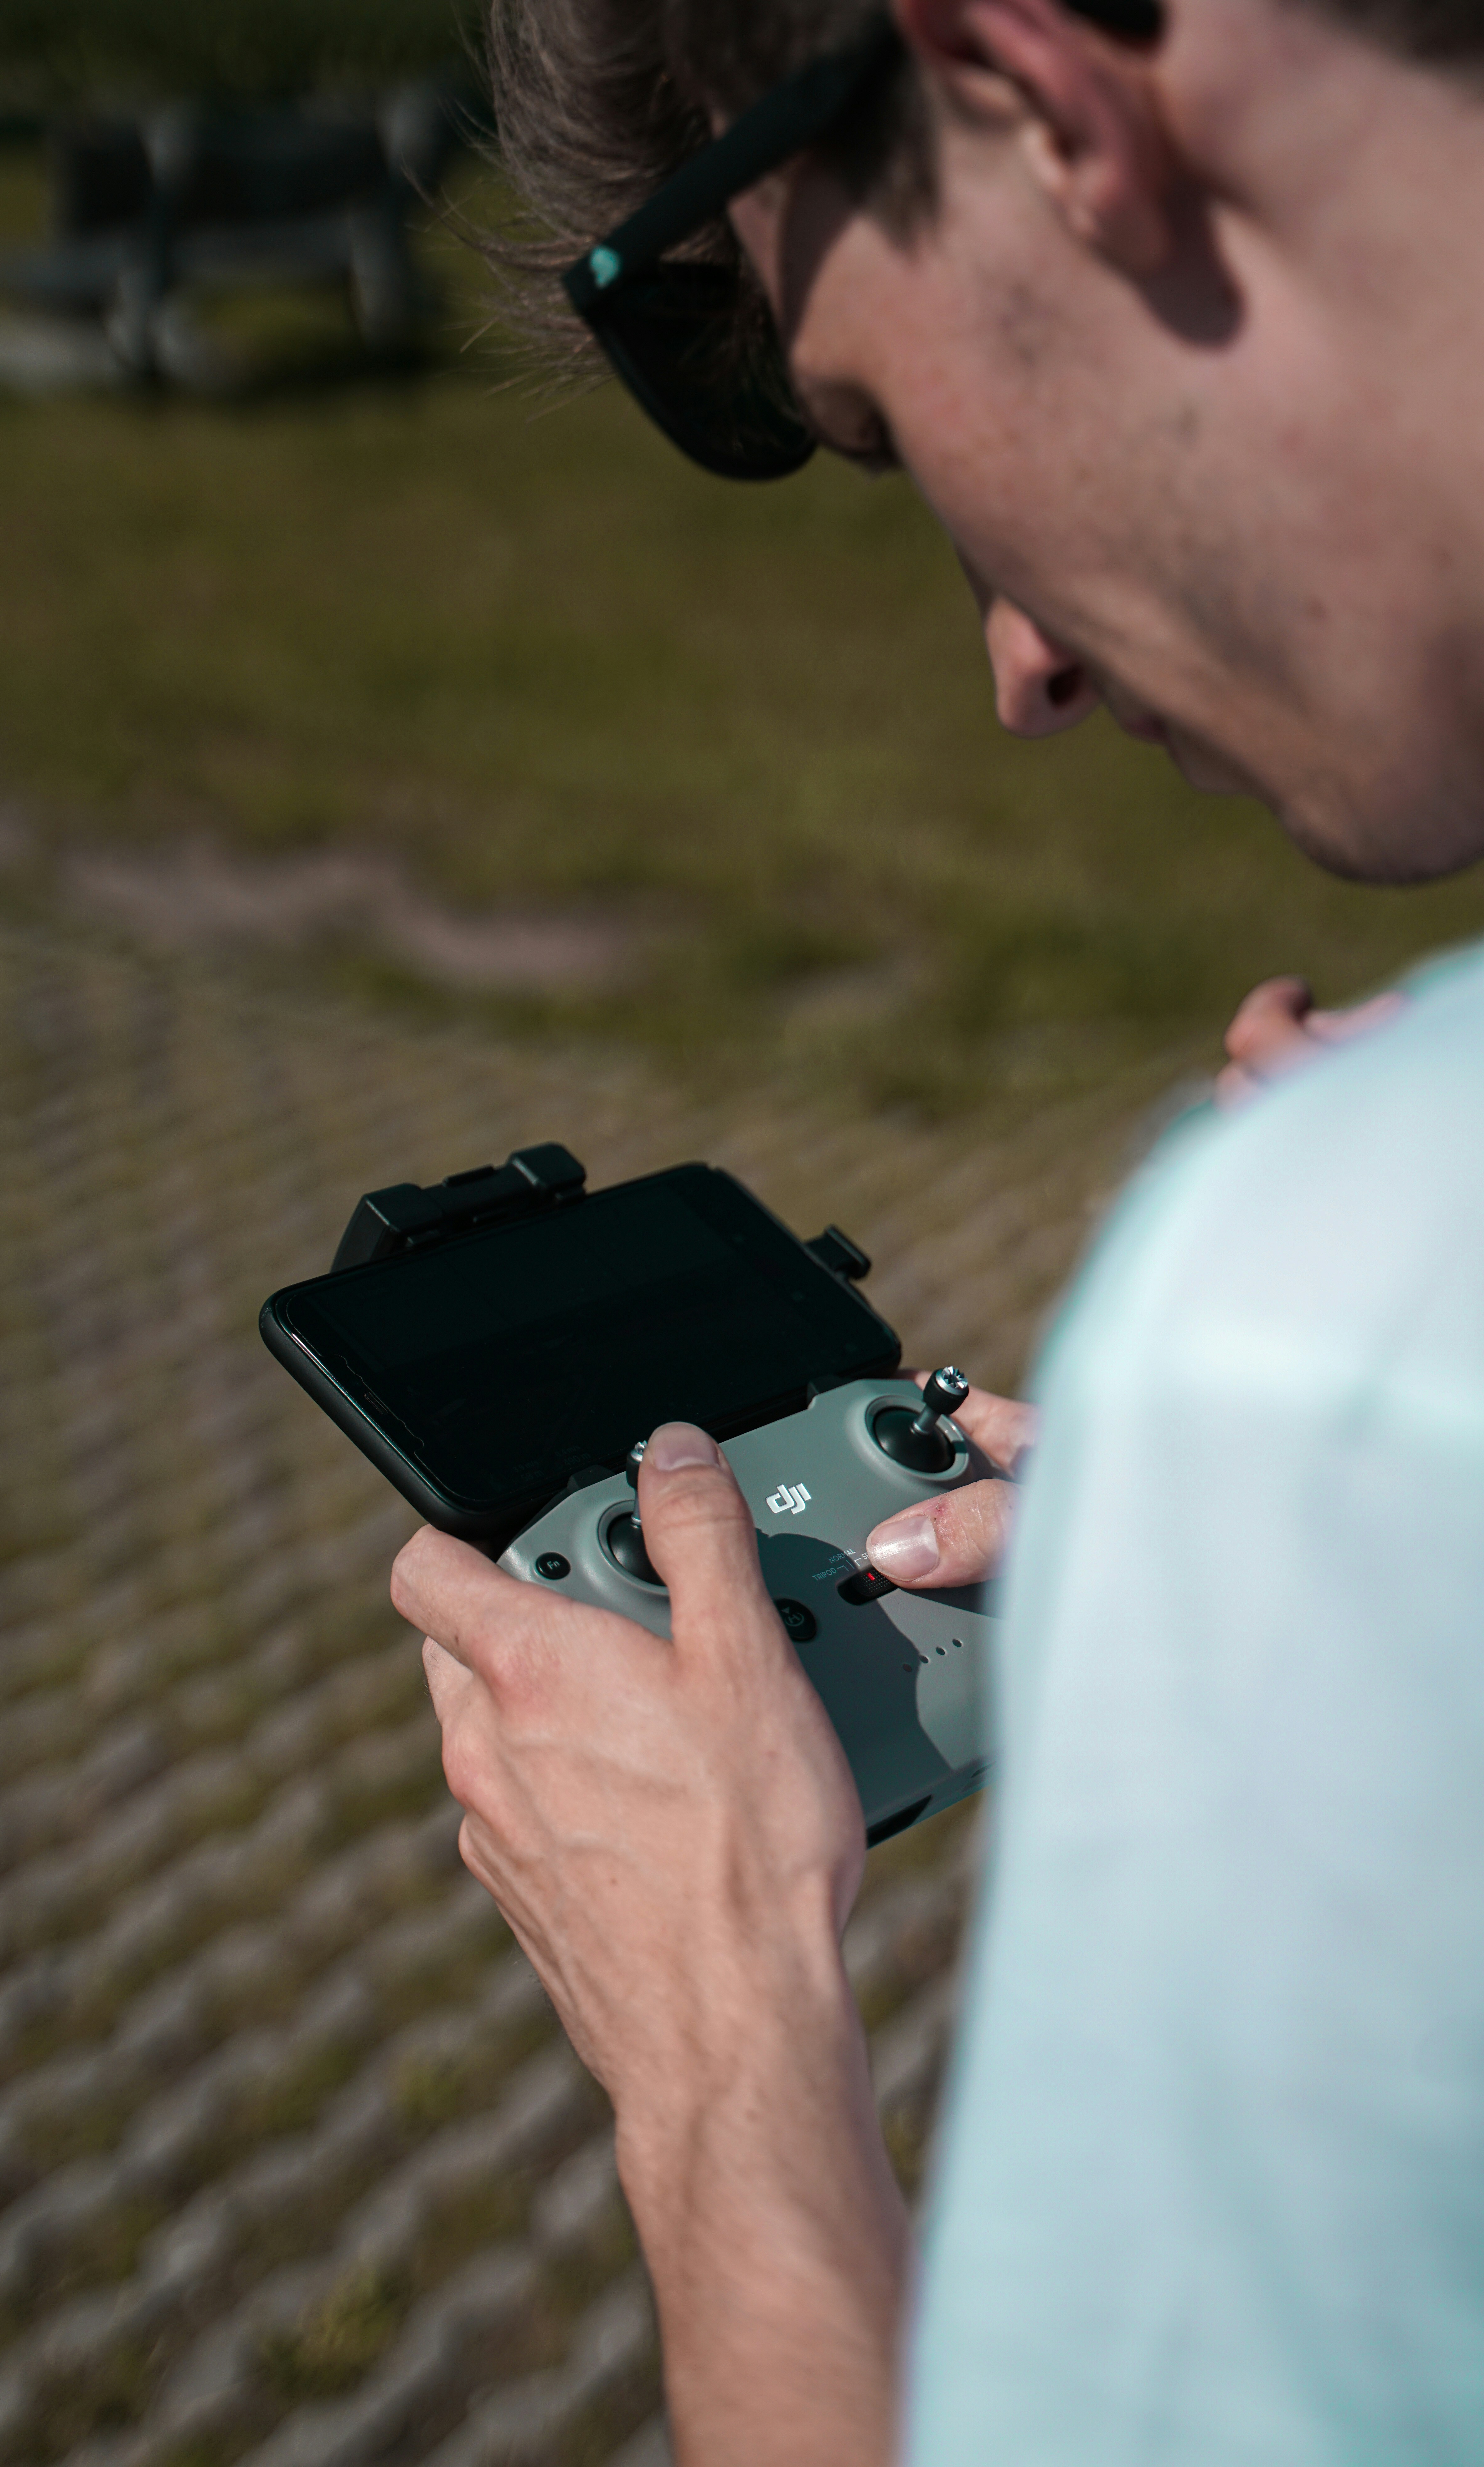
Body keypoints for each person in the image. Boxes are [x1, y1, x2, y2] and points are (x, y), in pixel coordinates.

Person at [389, 0, 1484, 2457]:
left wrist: (714, 2033)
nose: (1016, 662)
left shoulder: (1336, 1304)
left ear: (1038, 99)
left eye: (885, 422)